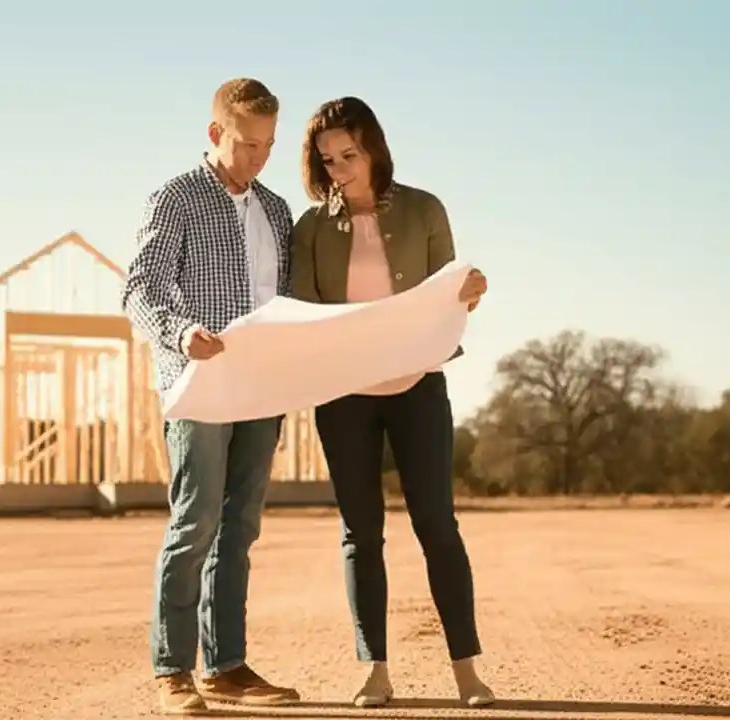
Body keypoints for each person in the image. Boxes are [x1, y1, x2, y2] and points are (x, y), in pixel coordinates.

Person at [288, 96, 495, 709]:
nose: (339, 169)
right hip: (345, 397)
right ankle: (374, 672)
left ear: (373, 147)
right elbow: (302, 315)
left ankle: (468, 674)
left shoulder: (426, 209)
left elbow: (446, 294)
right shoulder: (310, 227)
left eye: (349, 155)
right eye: (327, 160)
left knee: (437, 525)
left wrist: (470, 290)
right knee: (361, 533)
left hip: (418, 389)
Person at [121, 77, 300, 715]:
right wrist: (180, 331)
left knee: (240, 529)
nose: (258, 156)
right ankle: (173, 669)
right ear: (214, 133)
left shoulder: (277, 211)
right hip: (197, 383)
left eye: (269, 145)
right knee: (194, 522)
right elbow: (139, 289)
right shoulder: (175, 199)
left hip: (260, 390)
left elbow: (293, 304)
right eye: (248, 143)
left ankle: (228, 667)